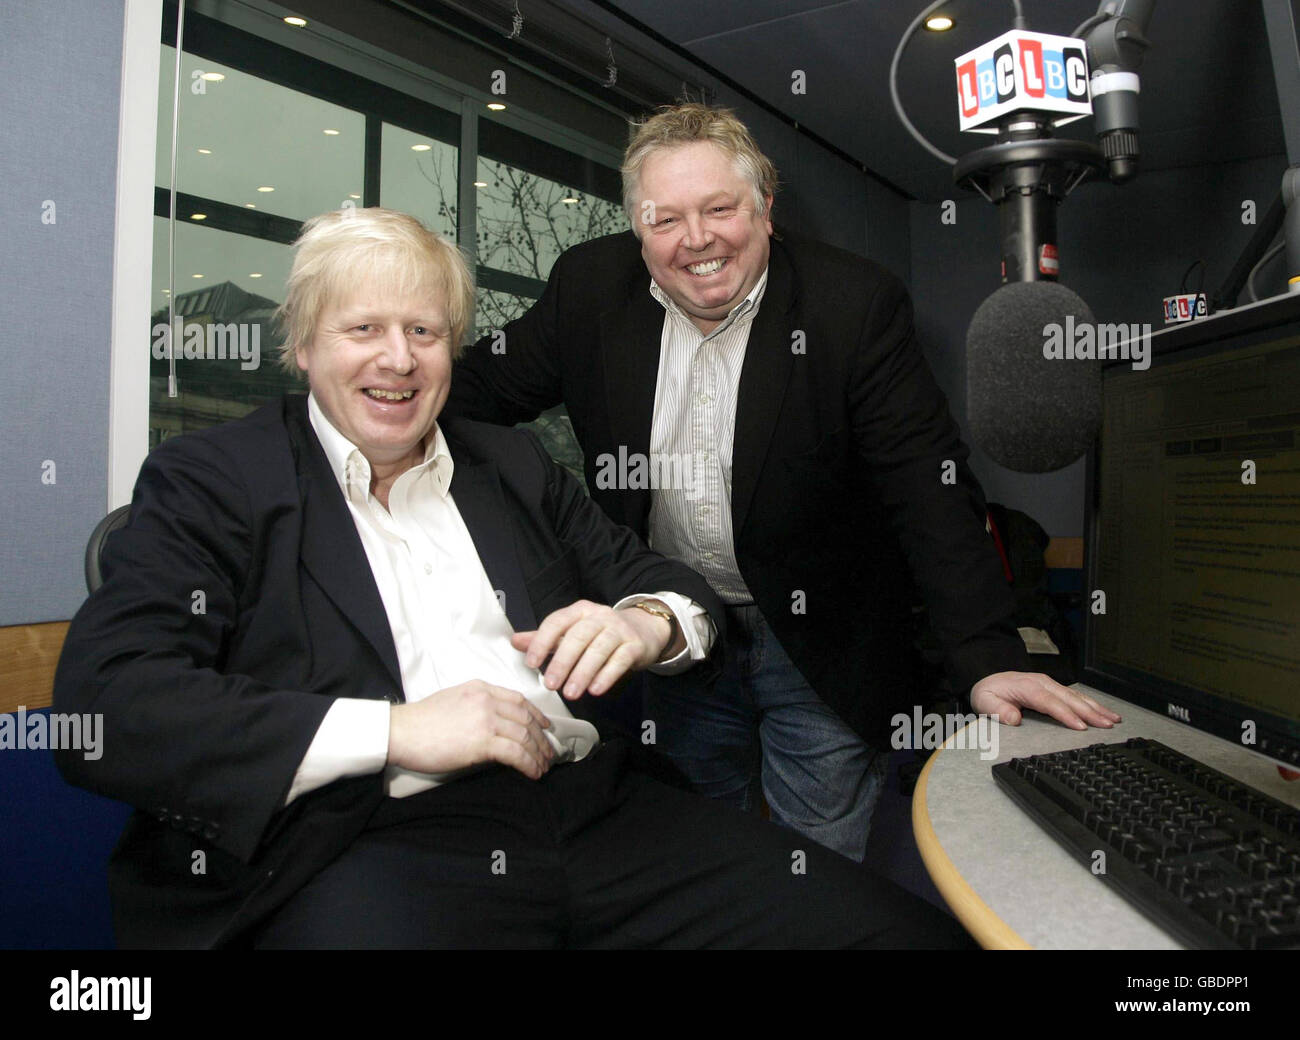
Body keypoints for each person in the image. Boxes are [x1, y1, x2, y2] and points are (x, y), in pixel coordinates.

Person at [53, 206, 971, 949]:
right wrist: (399, 731)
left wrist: (648, 620)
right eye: (363, 329)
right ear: (302, 347)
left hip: (594, 810)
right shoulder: (211, 479)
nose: (399, 359)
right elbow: (109, 710)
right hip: (358, 841)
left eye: (424, 331)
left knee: (899, 937)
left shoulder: (509, 466)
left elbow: (667, 581)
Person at [443, 103, 1120, 862]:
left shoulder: (851, 305)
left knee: (819, 865)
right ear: (637, 226)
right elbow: (472, 398)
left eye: (719, 209)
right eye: (664, 219)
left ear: (766, 206)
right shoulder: (590, 289)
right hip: (675, 637)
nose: (695, 239)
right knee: (698, 847)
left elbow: (927, 488)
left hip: (824, 636)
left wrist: (989, 654)